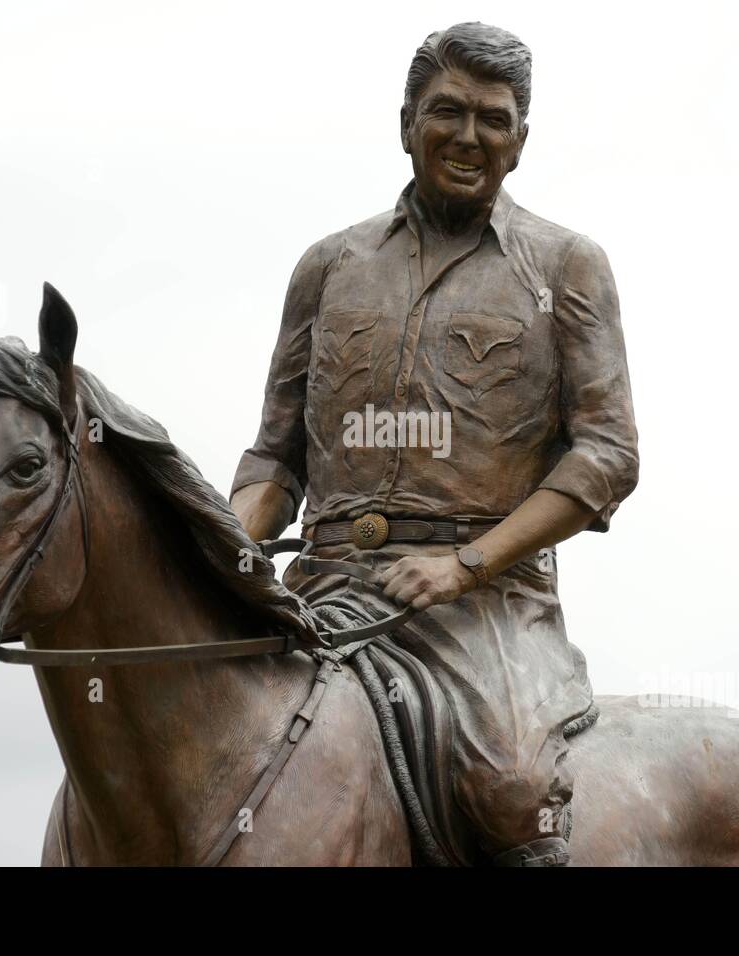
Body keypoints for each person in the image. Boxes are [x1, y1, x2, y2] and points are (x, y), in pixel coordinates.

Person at [231, 21, 638, 866]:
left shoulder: (568, 268)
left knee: (512, 788)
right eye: (447, 111)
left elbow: (606, 456)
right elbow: (276, 457)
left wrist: (467, 565)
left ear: (521, 141)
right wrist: (232, 549)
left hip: (485, 609)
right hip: (323, 587)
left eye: (494, 119)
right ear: (406, 121)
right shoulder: (328, 267)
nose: (468, 135)